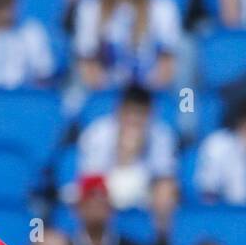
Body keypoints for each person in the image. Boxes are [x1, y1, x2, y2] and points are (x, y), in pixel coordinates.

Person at [76, 83, 179, 220]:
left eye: (141, 114)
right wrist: (124, 156)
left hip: (146, 195)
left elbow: (164, 177)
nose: (134, 120)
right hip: (105, 192)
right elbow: (91, 180)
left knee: (166, 191)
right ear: (119, 111)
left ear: (150, 114)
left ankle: (160, 239)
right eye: (130, 113)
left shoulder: (162, 135)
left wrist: (137, 153)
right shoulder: (97, 133)